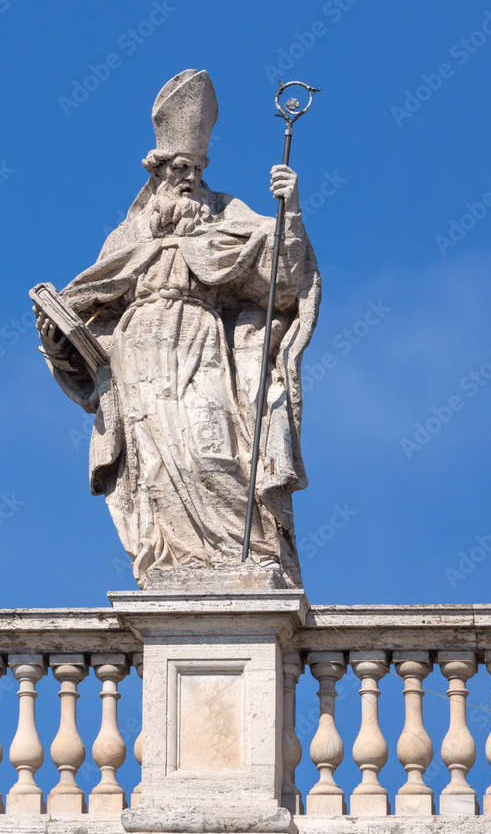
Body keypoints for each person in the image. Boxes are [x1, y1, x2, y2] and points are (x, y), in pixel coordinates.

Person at [35, 69, 320, 588]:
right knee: (155, 464)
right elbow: (91, 325)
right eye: (179, 168)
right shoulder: (127, 238)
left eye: (197, 169)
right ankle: (174, 562)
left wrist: (292, 211)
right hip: (138, 352)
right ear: (159, 171)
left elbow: (284, 283)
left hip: (202, 340)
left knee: (214, 448)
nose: (189, 178)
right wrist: (59, 344)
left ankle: (250, 553)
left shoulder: (228, 218)